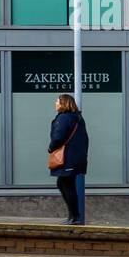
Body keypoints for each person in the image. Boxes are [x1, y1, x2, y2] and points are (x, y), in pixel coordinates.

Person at [48, 93, 89, 225]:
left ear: (64, 103)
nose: (55, 103)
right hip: (76, 157)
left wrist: (51, 148)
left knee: (66, 184)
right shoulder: (77, 118)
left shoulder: (64, 118)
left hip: (68, 158)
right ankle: (73, 217)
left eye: (57, 101)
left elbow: (58, 137)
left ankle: (75, 217)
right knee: (64, 183)